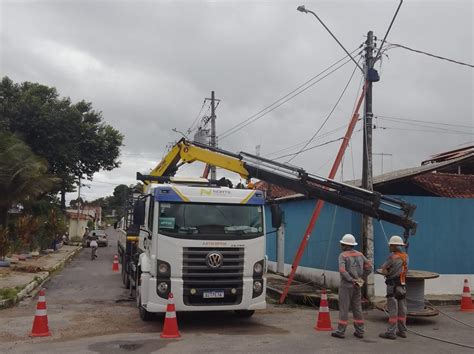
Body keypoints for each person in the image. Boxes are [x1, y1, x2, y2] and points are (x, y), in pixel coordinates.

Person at [331, 233, 372, 339]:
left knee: (344, 308)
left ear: (345, 245)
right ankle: (360, 331)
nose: (341, 246)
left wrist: (350, 279)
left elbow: (342, 270)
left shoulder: (343, 255)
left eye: (342, 244)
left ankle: (340, 331)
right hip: (357, 285)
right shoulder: (360, 254)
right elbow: (369, 267)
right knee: (357, 308)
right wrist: (361, 278)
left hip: (346, 285)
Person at [379, 235, 409, 340]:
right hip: (402, 286)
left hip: (392, 286)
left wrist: (387, 272)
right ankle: (402, 331)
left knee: (393, 309)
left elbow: (384, 270)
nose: (389, 247)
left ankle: (391, 332)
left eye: (390, 245)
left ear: (395, 246)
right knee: (402, 310)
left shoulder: (392, 257)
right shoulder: (406, 257)